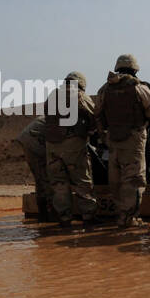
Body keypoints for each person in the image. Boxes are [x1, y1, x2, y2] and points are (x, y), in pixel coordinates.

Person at [94, 54, 150, 227]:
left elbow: (98, 114)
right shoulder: (138, 87)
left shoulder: (104, 89)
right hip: (134, 138)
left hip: (113, 139)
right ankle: (129, 218)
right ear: (134, 69)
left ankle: (121, 214)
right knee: (133, 178)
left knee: (116, 178)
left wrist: (104, 136)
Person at [46, 71, 99, 228]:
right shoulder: (79, 95)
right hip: (72, 143)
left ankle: (64, 218)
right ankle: (88, 217)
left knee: (59, 184)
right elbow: (94, 115)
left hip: (51, 144)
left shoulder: (53, 95)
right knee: (82, 180)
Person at [15, 117, 53, 222]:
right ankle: (47, 214)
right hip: (33, 141)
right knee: (44, 177)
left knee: (41, 177)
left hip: (30, 139)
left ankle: (44, 213)